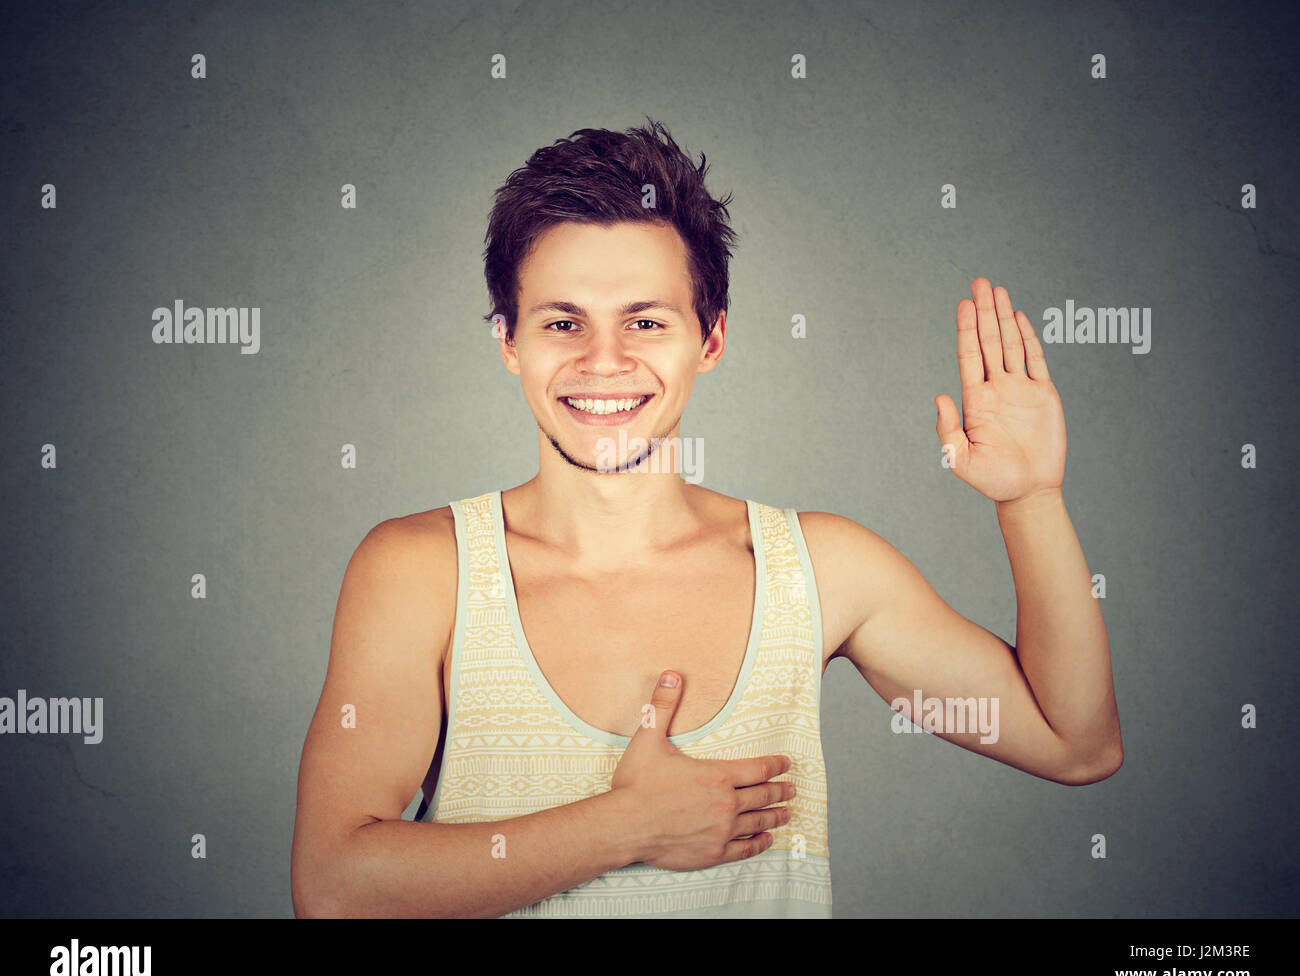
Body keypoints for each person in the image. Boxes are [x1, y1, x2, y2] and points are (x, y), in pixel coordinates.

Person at [290, 117, 1122, 918]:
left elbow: (1074, 742)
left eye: (646, 321)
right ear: (508, 340)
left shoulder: (823, 570)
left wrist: (1030, 501)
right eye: (562, 322)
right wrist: (625, 827)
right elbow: (333, 888)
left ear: (711, 338)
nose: (603, 360)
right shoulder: (420, 570)